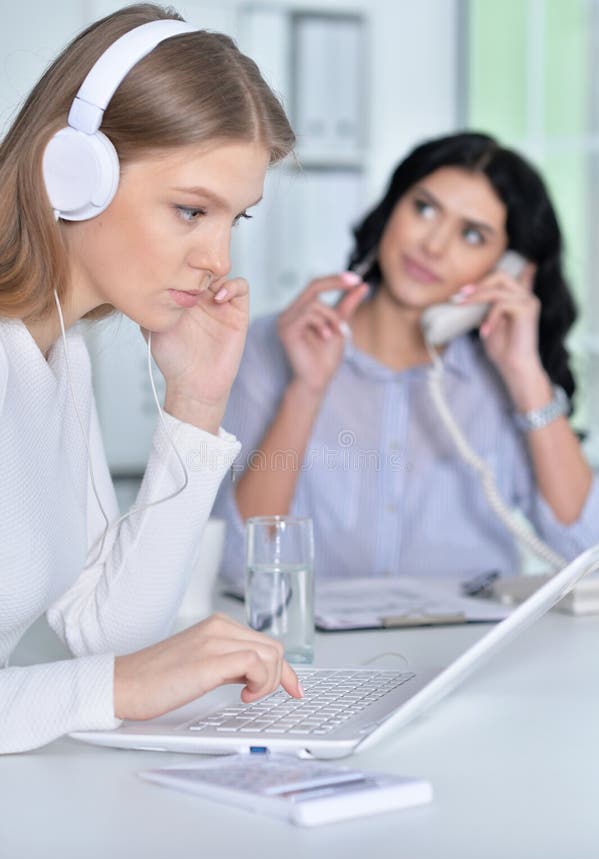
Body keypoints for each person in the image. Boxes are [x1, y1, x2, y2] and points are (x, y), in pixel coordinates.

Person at [0, 3, 304, 755]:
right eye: (191, 210)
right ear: (72, 173)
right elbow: (112, 673)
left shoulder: (55, 358)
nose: (218, 260)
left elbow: (108, 630)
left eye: (236, 220)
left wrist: (195, 405)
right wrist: (113, 687)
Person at [215, 131, 599, 583]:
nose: (433, 245)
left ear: (509, 271)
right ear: (391, 208)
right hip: (318, 651)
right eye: (424, 208)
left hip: (471, 647)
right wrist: (307, 390)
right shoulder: (271, 346)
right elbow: (238, 564)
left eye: (472, 235)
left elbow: (587, 550)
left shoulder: (508, 378)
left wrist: (526, 376)